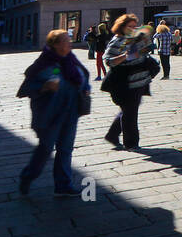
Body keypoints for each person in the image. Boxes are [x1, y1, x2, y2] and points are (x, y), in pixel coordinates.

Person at [17, 28, 90, 197]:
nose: (70, 43)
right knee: (45, 148)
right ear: (56, 45)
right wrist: (44, 87)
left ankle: (63, 185)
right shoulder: (42, 64)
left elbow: (83, 76)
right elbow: (26, 89)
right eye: (66, 40)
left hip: (71, 112)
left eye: (69, 39)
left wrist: (85, 88)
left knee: (66, 149)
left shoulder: (71, 59)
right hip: (50, 114)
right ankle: (28, 176)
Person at [102, 14, 155, 150]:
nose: (133, 29)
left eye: (134, 26)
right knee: (130, 113)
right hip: (126, 84)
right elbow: (108, 60)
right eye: (129, 26)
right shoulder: (117, 41)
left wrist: (144, 40)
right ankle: (131, 143)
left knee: (128, 110)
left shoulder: (135, 39)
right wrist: (124, 56)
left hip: (140, 81)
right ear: (122, 27)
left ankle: (112, 135)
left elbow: (147, 49)